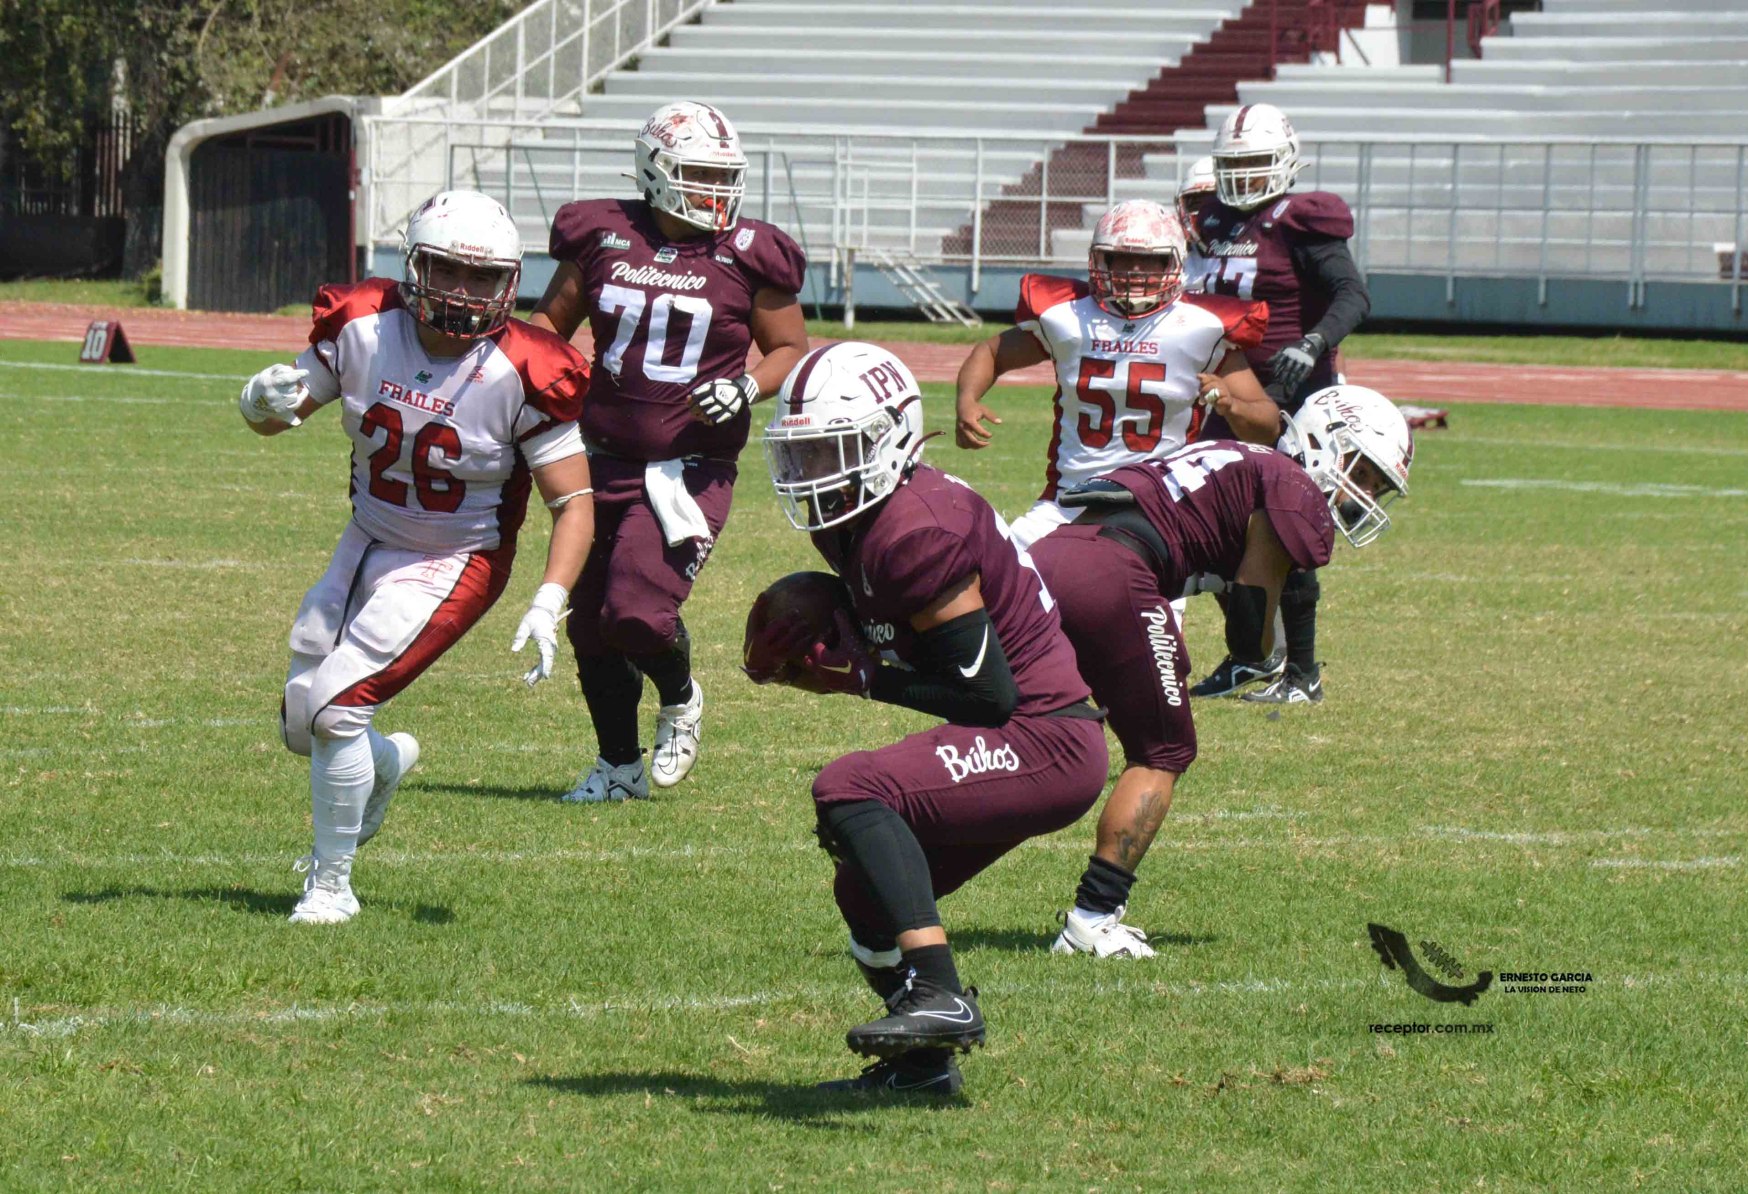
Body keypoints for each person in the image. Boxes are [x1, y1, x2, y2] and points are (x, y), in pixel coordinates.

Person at [753, 342, 1110, 1094]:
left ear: (891, 437)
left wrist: (863, 678)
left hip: (1047, 736)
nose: (813, 469)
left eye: (832, 448)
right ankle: (922, 1071)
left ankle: (942, 997)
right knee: (864, 895)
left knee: (851, 787)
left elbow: (989, 699)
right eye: (803, 451)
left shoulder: (917, 530)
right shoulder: (857, 516)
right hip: (1026, 731)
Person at [238, 190, 593, 924]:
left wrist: (549, 598)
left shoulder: (527, 365)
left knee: (336, 710)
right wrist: (255, 400)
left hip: (458, 557)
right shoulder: (364, 324)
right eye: (447, 270)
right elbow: (278, 419)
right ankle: (385, 762)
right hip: (367, 535)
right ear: (414, 266)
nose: (463, 292)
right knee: (301, 722)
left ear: (510, 282)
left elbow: (574, 503)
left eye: (482, 277)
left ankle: (330, 887)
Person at [1030, 384, 1414, 956]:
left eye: (1376, 485)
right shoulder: (1295, 489)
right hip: (1115, 574)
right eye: (1362, 472)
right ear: (1323, 442)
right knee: (1164, 750)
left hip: (1054, 552)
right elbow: (1249, 633)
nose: (1365, 493)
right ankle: (1093, 918)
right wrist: (1266, 640)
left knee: (1025, 728)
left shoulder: (1241, 456)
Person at [530, 100, 809, 801]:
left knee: (635, 613)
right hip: (597, 456)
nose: (714, 191)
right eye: (699, 174)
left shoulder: (750, 252)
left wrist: (746, 387)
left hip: (690, 466)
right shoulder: (603, 232)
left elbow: (788, 348)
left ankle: (682, 696)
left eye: (723, 176)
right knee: (591, 628)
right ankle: (618, 767)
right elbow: (546, 330)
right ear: (654, 171)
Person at [955, 199, 1279, 551]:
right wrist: (967, 399)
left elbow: (1267, 424)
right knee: (1007, 569)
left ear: (1173, 263)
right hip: (1069, 499)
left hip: (1162, 504)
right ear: (1100, 260)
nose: (1134, 272)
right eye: (1121, 258)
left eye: (1149, 260)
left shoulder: (1203, 326)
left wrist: (1232, 407)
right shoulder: (1067, 316)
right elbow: (992, 352)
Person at [1183, 103, 1372, 704]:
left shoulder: (1300, 219)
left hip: (1295, 396)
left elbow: (1352, 294)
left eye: (1258, 163)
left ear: (1286, 162)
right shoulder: (1212, 218)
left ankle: (1302, 673)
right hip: (1226, 390)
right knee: (1212, 524)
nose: (1244, 177)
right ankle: (1255, 654)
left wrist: (1314, 342)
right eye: (1234, 165)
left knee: (1285, 527)